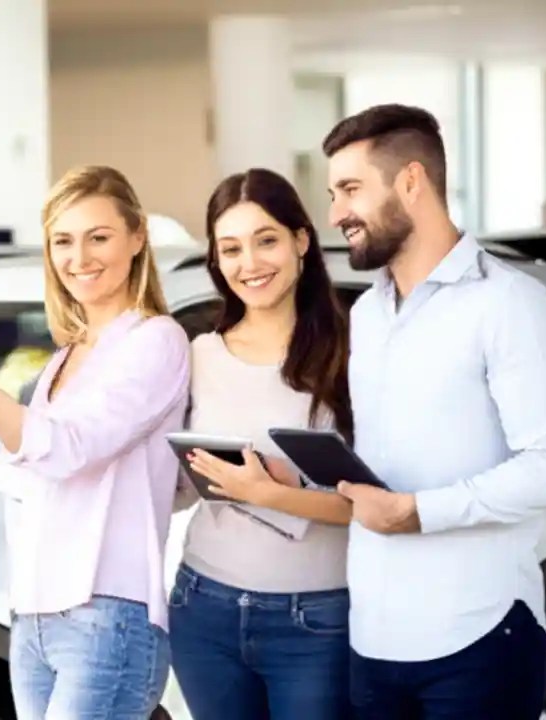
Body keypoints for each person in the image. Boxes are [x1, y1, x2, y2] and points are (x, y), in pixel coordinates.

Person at [0, 165, 190, 719]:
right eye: (63, 241)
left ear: (137, 236)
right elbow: (21, 469)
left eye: (99, 237)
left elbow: (69, 448)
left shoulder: (156, 341)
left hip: (107, 615)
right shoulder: (62, 359)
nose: (80, 258)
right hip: (34, 618)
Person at [322, 103, 546, 718]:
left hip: (477, 636)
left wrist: (419, 512)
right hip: (374, 641)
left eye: (351, 189)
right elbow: (390, 460)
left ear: (411, 182)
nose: (337, 213)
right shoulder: (366, 314)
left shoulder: (510, 304)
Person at [170, 168, 355, 720]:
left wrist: (266, 491)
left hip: (317, 620)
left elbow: (372, 504)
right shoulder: (198, 354)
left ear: (301, 241)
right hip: (204, 609)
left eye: (266, 240)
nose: (249, 264)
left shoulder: (352, 354)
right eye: (231, 249)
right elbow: (180, 490)